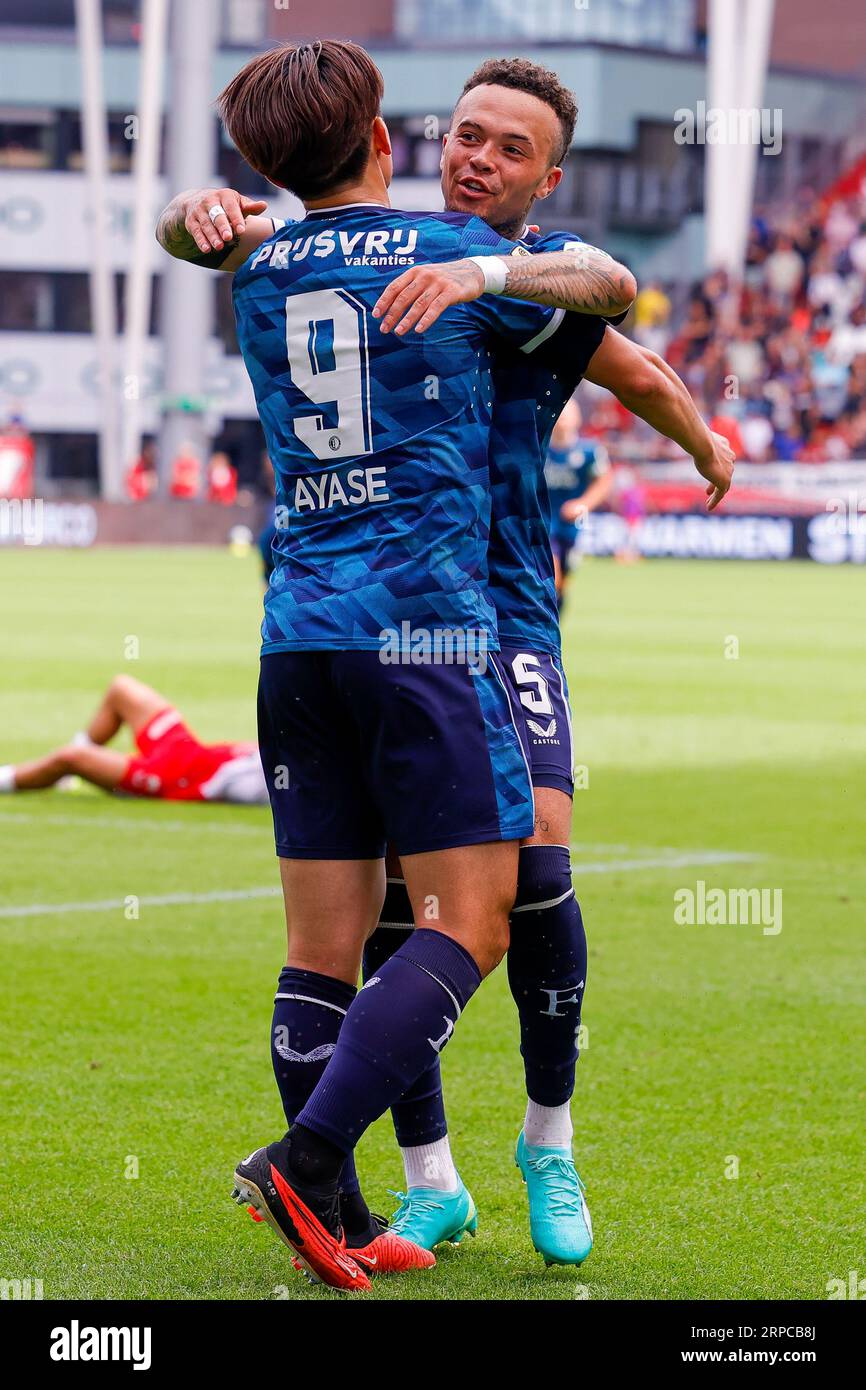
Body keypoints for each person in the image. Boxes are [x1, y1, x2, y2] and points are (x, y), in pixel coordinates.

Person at [159, 53, 734, 1278]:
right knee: (439, 922)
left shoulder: (321, 260)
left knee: (525, 885)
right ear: (396, 135)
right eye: (463, 134)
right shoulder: (421, 257)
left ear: (543, 176)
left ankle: (533, 1144)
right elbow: (625, 296)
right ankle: (387, 1177)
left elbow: (628, 349)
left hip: (369, 621)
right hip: (427, 624)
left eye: (506, 147)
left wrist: (702, 440)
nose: (476, 157)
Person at [0, 675, 268, 805]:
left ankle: (8, 780)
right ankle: (71, 776)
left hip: (172, 779)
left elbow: (240, 790)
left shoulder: (285, 784)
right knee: (122, 689)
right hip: (187, 751)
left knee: (69, 757)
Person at [543, 397, 613, 607]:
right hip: (543, 523)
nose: (563, 419)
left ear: (577, 418)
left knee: (561, 586)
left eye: (568, 414)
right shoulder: (538, 447)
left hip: (572, 527)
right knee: (549, 576)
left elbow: (604, 481)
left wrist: (583, 504)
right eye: (560, 413)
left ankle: (553, 629)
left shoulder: (589, 451)